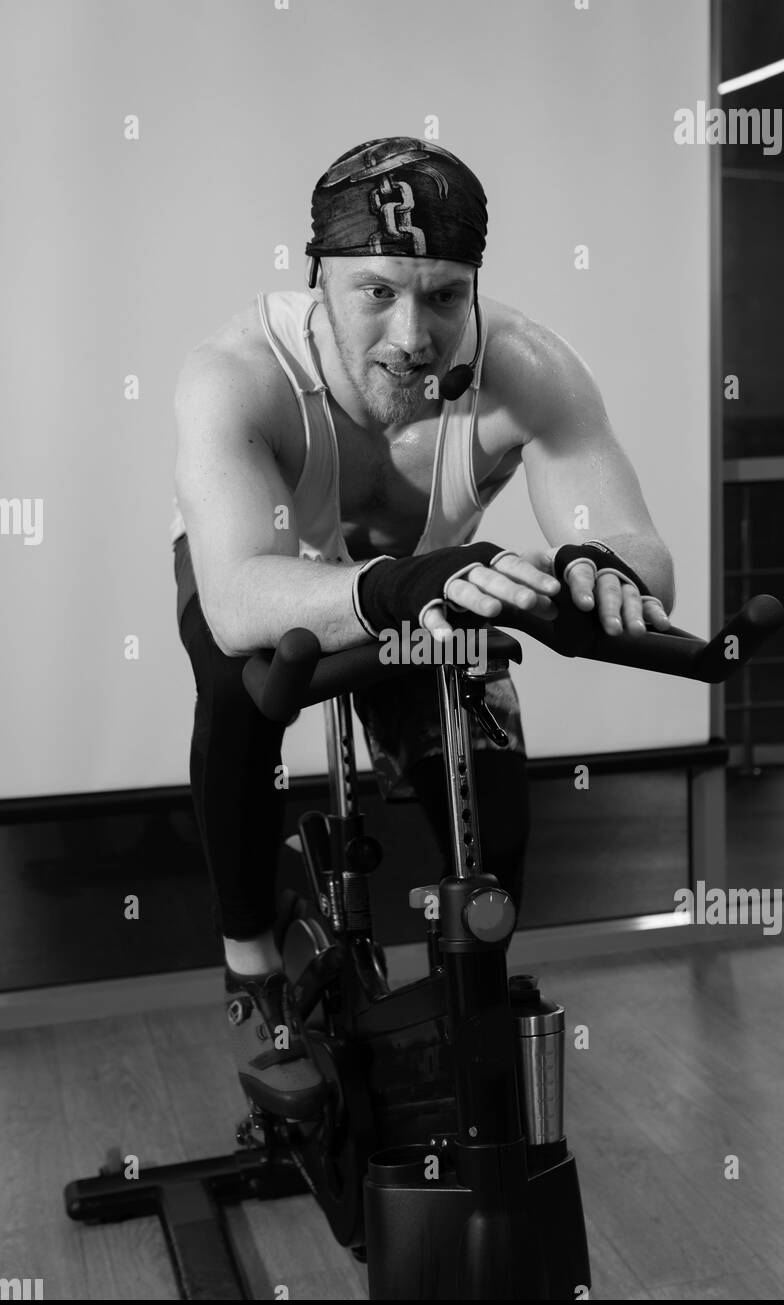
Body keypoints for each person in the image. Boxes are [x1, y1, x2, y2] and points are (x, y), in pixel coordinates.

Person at [170, 136, 675, 1119]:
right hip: (271, 579)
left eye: (444, 296)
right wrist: (401, 583)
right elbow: (235, 600)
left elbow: (635, 546)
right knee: (238, 684)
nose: (413, 334)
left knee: (486, 770)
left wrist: (595, 570)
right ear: (319, 280)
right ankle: (251, 966)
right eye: (377, 293)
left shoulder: (523, 367)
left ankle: (462, 999)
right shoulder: (239, 373)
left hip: (424, 592)